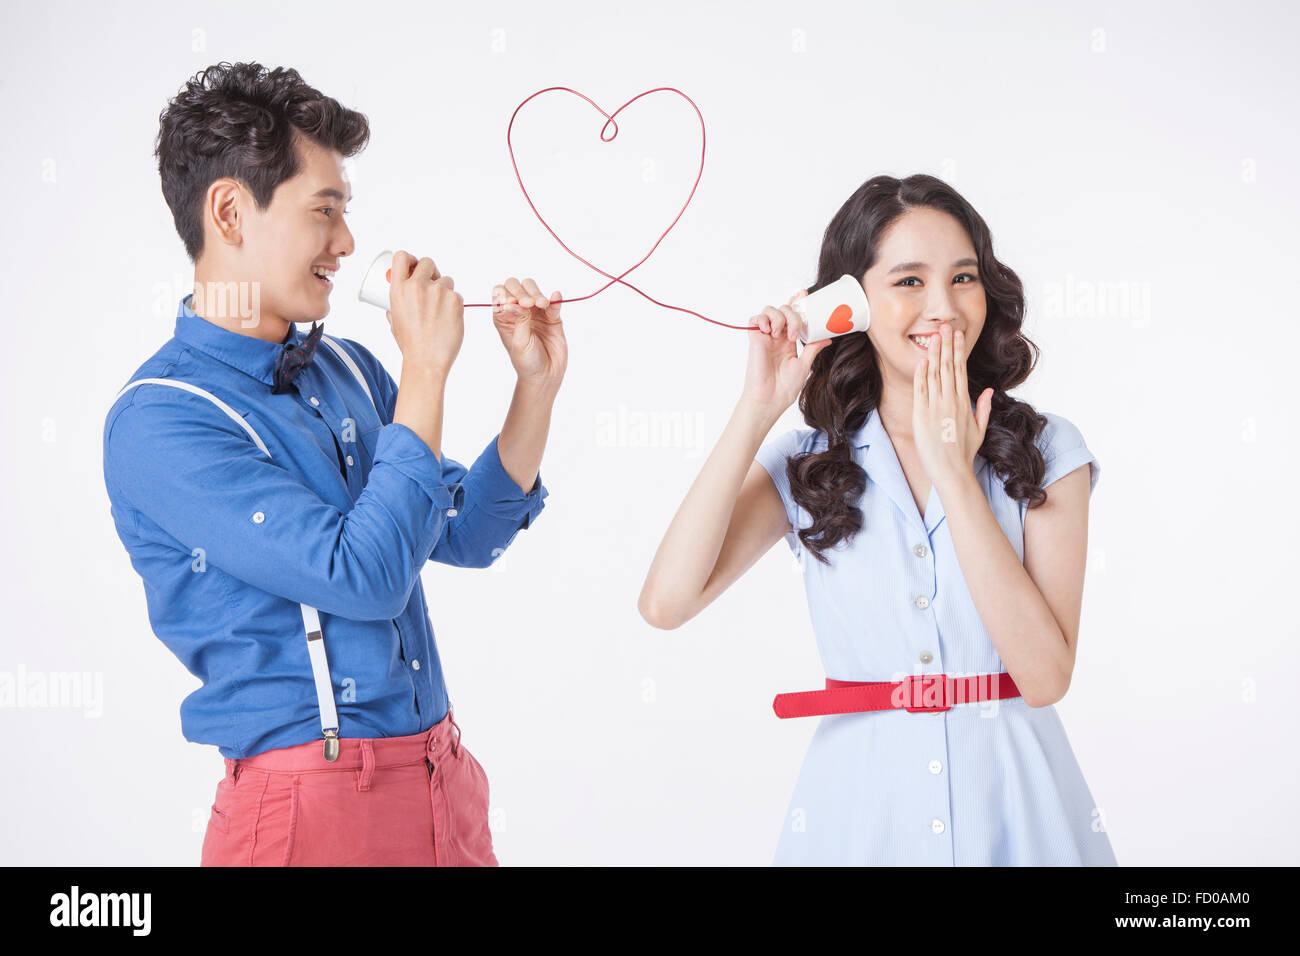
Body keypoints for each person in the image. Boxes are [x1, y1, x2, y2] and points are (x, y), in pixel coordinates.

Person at [101, 62, 567, 866]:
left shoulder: (347, 368)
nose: (348, 244)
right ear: (230, 212)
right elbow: (365, 576)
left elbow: (466, 534)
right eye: (325, 212)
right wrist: (425, 374)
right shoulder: (160, 421)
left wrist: (535, 391)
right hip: (308, 813)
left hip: (442, 784)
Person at [639, 174, 1117, 866]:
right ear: (851, 303)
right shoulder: (810, 463)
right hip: (859, 815)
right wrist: (759, 406)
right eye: (909, 282)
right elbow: (666, 602)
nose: (944, 308)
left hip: (1016, 810)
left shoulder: (1049, 450)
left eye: (962, 277)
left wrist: (955, 473)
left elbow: (1044, 677)